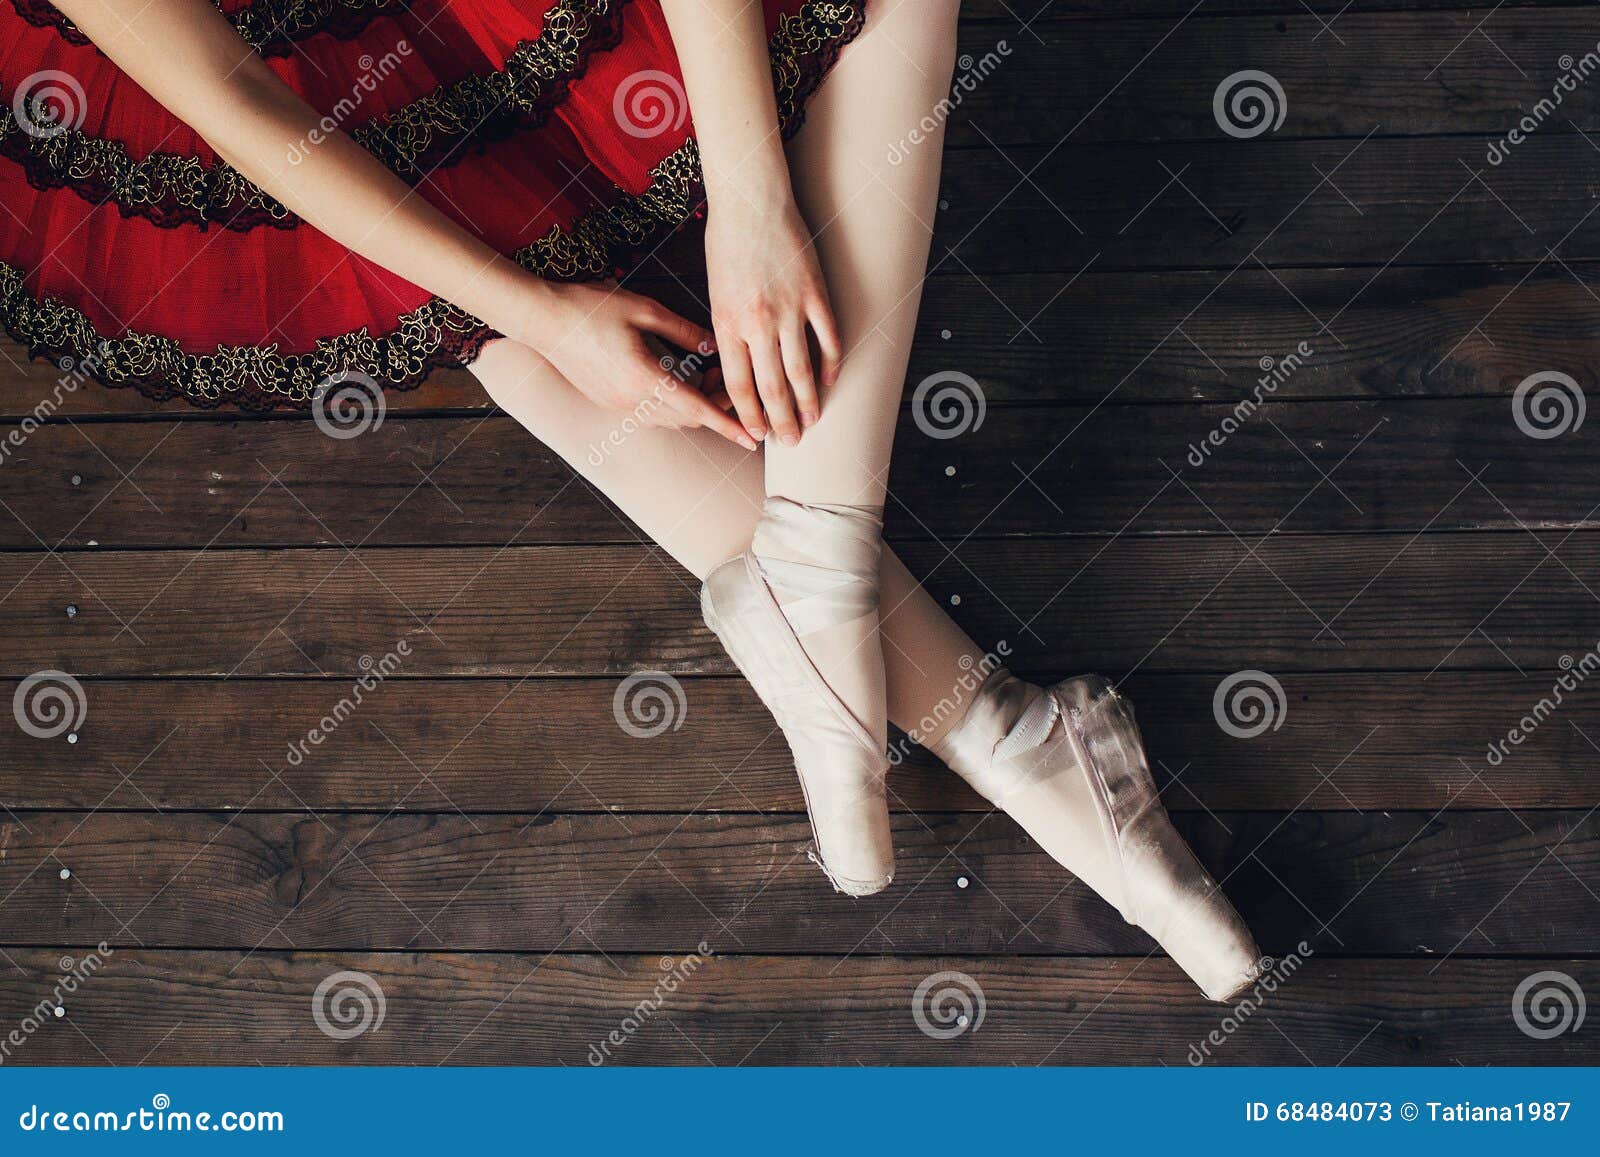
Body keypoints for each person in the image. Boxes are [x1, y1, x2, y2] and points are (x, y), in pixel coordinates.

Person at [0, 0, 1263, 1001]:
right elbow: (229, 94)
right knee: (475, 288)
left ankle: (925, 670)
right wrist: (541, 310)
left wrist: (753, 206)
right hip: (295, 68)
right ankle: (985, 722)